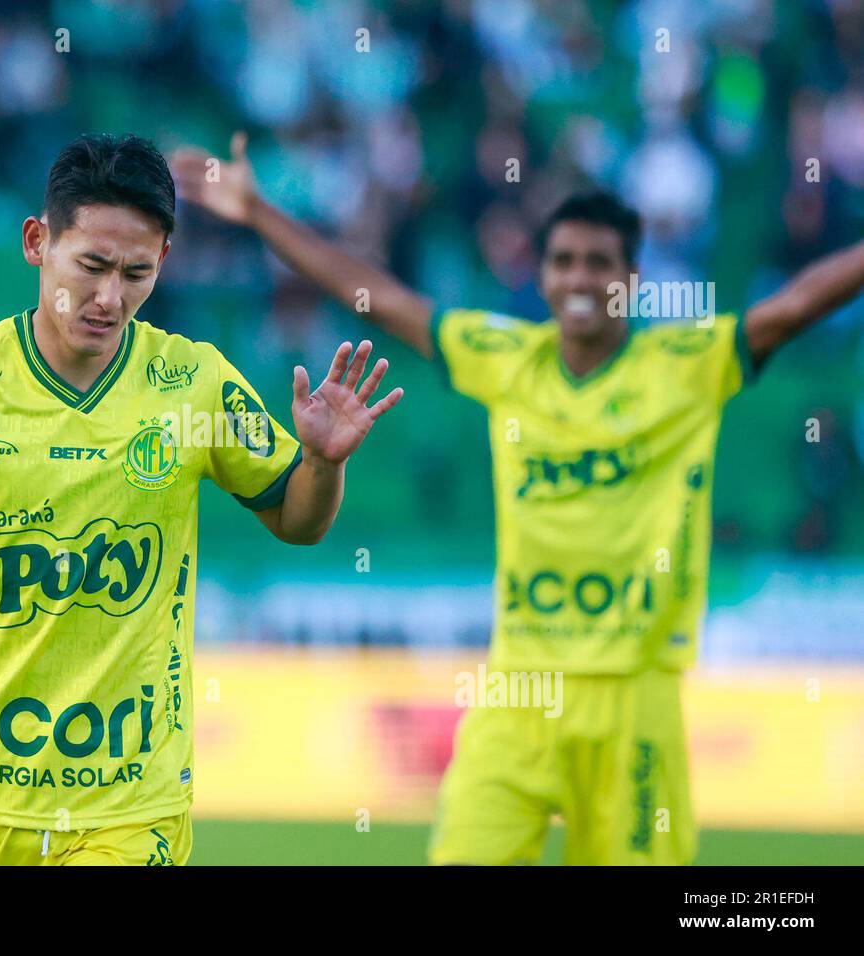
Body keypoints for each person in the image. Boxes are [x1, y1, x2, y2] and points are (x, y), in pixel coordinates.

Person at [172, 132, 864, 865]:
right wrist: (258, 214)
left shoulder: (687, 365)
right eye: (563, 261)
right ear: (541, 275)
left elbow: (790, 308)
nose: (578, 278)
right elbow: (380, 299)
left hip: (635, 696)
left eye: (599, 263)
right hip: (516, 693)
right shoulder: (505, 359)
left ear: (632, 278)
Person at [0, 133, 403, 865]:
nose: (108, 297)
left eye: (136, 273)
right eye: (90, 266)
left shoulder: (196, 384)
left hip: (128, 807)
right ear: (38, 242)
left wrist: (321, 462)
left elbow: (299, 521)